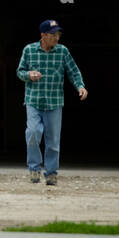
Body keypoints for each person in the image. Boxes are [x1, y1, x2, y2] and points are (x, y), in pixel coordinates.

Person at [16, 19, 87, 186]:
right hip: (33, 100)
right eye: (53, 34)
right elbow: (20, 71)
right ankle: (34, 168)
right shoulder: (29, 50)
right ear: (43, 35)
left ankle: (51, 173)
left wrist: (80, 86)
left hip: (55, 102)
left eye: (58, 34)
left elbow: (73, 71)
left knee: (53, 141)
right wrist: (29, 75)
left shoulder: (62, 52)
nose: (57, 38)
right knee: (33, 133)